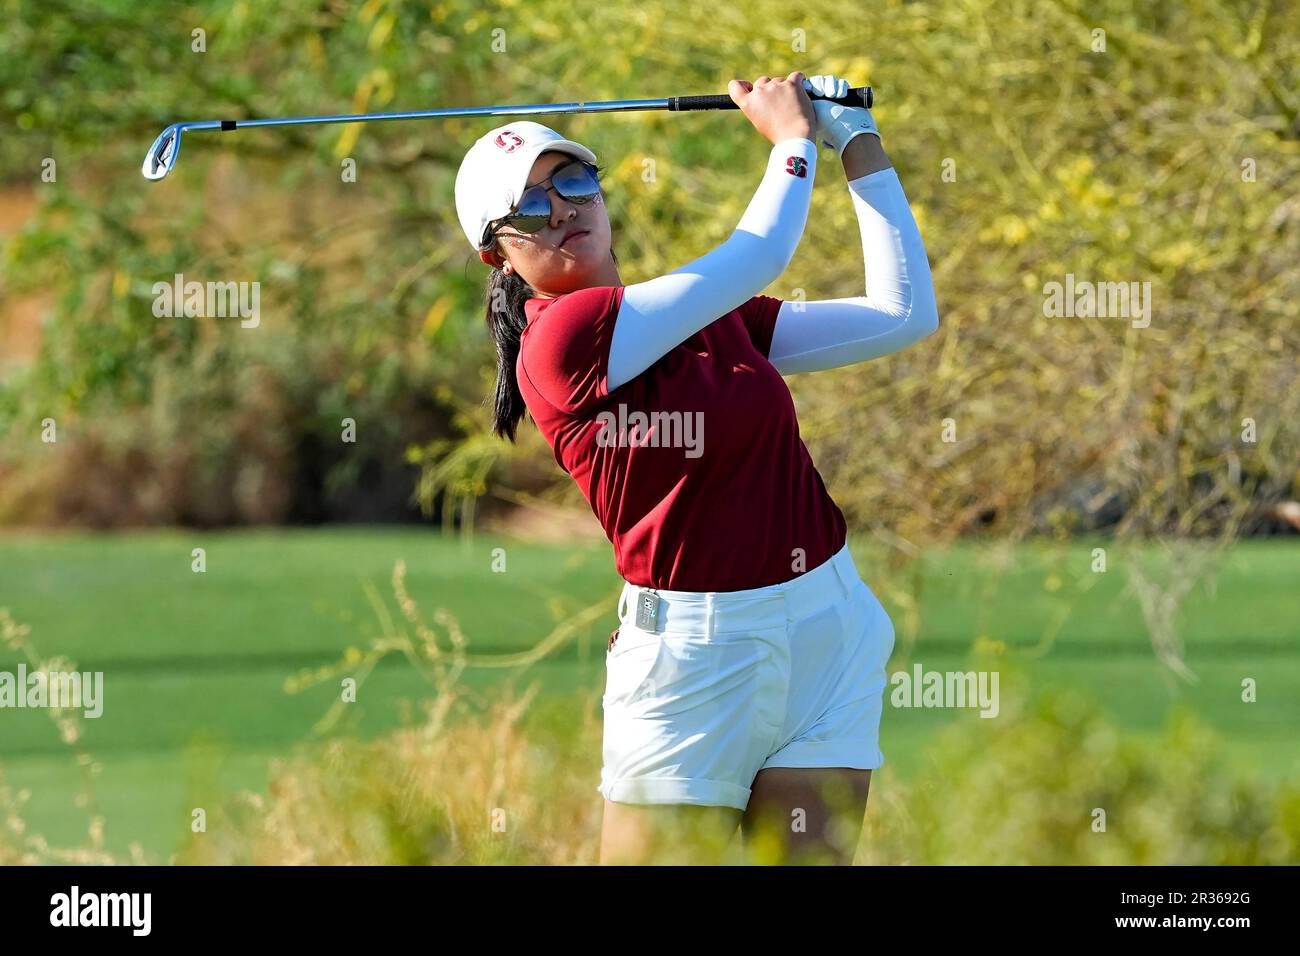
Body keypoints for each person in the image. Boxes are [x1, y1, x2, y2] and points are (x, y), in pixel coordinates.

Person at [454, 71, 939, 864]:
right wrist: (789, 139)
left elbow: (903, 314)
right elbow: (759, 254)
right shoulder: (562, 341)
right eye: (532, 208)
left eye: (573, 180)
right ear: (497, 255)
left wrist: (855, 141)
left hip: (827, 628)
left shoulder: (706, 319)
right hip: (692, 661)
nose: (565, 208)